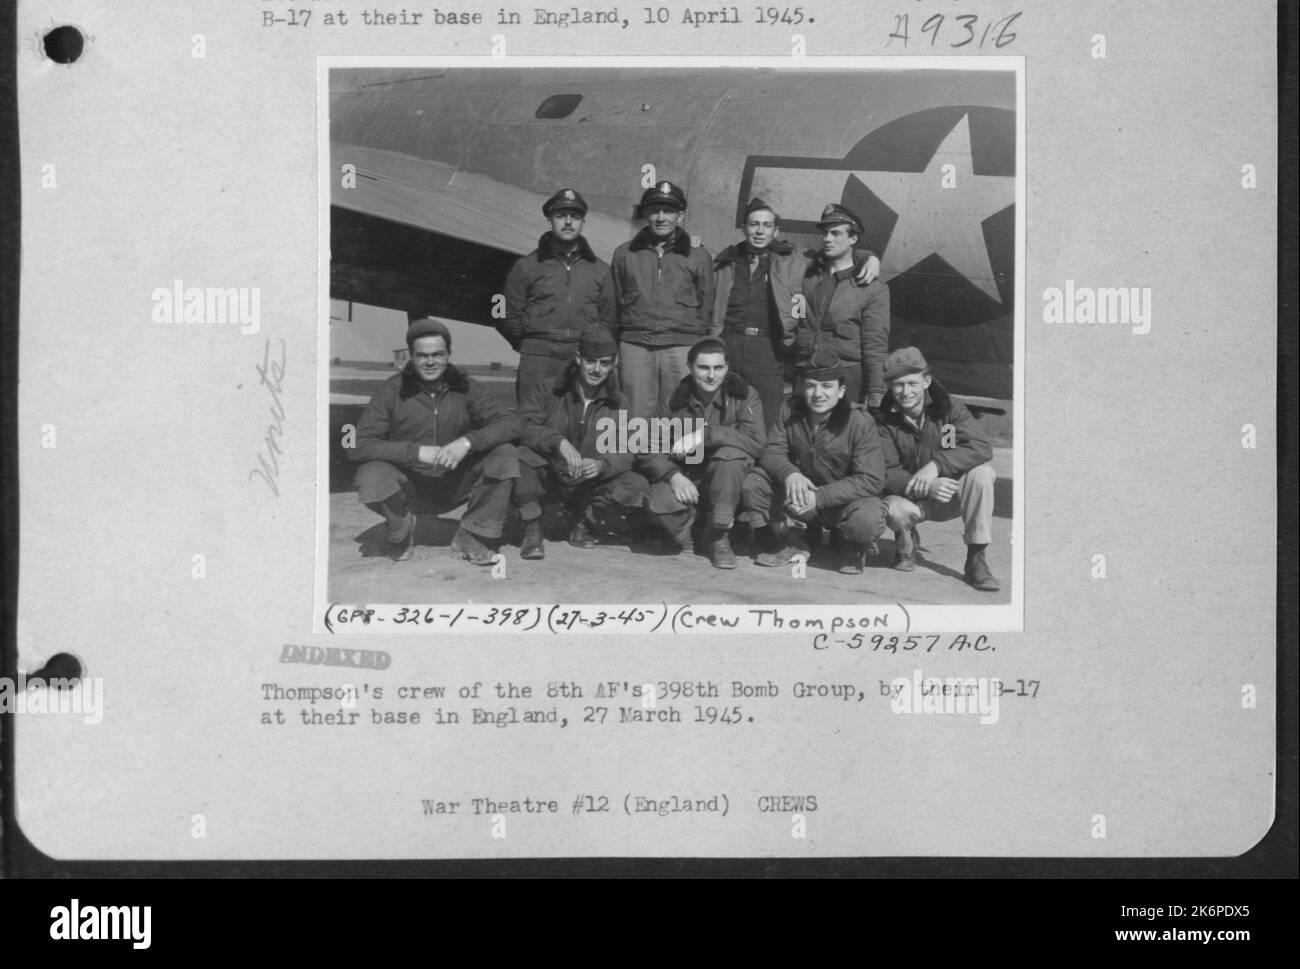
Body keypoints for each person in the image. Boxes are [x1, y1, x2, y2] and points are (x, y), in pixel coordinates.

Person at [348, 319, 521, 566]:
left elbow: (510, 423)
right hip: (411, 484)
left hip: (454, 480)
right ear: (412, 357)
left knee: (505, 454)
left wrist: (467, 443)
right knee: (371, 474)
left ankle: (472, 535)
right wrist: (415, 452)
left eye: (438, 354)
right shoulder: (391, 390)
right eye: (422, 355)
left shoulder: (466, 387)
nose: (430, 362)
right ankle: (402, 529)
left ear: (449, 354)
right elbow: (357, 444)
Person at [711, 198, 880, 429]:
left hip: (766, 349)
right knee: (721, 413)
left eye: (767, 225)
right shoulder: (724, 262)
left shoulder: (794, 260)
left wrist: (868, 257)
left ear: (776, 230)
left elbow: (837, 254)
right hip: (727, 345)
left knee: (767, 420)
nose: (760, 231)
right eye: (753, 224)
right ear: (744, 228)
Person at [741, 348, 888, 574]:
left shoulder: (859, 422)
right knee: (755, 483)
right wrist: (790, 473)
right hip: (798, 499)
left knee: (868, 519)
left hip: (839, 503)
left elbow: (871, 479)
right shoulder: (789, 410)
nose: (818, 394)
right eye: (811, 386)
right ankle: (785, 538)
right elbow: (771, 451)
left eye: (827, 386)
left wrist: (819, 497)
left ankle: (849, 543)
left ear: (841, 391)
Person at [514, 328, 650, 559]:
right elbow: (520, 426)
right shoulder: (548, 389)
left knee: (636, 484)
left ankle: (582, 519)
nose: (597, 370)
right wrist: (557, 441)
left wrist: (602, 465)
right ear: (578, 358)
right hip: (550, 474)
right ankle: (532, 526)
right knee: (520, 458)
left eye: (605, 363)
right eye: (591, 361)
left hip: (587, 482)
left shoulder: (619, 403)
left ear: (614, 363)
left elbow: (626, 450)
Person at [875, 346, 999, 591]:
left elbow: (980, 446)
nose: (905, 391)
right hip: (910, 497)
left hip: (948, 493)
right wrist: (926, 486)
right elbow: (885, 471)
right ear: (890, 386)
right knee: (892, 508)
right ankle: (906, 540)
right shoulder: (882, 420)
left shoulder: (950, 408)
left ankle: (976, 557)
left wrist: (937, 465)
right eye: (898, 385)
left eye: (912, 383)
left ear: (927, 381)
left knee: (982, 474)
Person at [638, 337, 764, 569]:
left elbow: (756, 441)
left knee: (731, 456)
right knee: (659, 506)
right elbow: (648, 446)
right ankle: (701, 527)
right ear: (690, 367)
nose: (711, 375)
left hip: (728, 479)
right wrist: (673, 476)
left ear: (727, 368)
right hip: (689, 478)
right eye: (703, 367)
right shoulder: (675, 399)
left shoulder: (744, 395)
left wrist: (707, 434)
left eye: (718, 368)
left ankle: (719, 536)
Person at [610, 180, 714, 420]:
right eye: (655, 210)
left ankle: (673, 457)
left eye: (668, 211)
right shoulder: (624, 253)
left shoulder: (698, 256)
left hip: (680, 344)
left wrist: (696, 342)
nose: (661, 217)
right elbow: (613, 301)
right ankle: (633, 456)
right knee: (633, 410)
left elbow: (706, 304)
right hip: (635, 343)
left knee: (679, 409)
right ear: (646, 213)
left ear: (680, 215)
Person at [500, 188, 616, 402]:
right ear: (549, 220)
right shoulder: (526, 266)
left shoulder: (600, 270)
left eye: (575, 217)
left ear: (583, 222)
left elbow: (608, 318)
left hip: (580, 357)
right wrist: (530, 346)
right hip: (538, 356)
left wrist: (590, 348)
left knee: (574, 421)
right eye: (561, 216)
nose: (568, 222)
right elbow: (508, 314)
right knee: (531, 419)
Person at [799, 203, 891, 409]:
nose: (827, 239)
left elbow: (875, 345)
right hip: (809, 372)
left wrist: (877, 391)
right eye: (824, 233)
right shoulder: (809, 276)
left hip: (846, 376)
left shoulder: (871, 288)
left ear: (853, 239)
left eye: (835, 233)